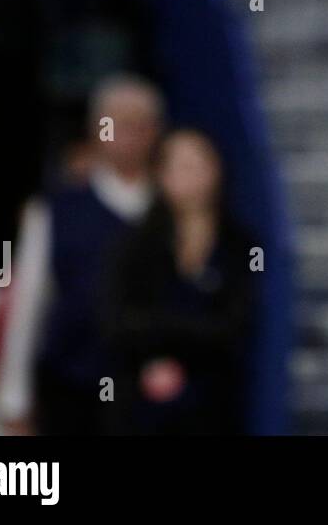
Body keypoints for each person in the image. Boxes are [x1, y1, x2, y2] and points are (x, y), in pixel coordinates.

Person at [0, 75, 163, 434]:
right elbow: (28, 304)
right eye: (115, 123)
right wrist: (14, 398)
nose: (128, 134)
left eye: (140, 124)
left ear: (155, 132)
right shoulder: (55, 211)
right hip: (72, 391)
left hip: (151, 398)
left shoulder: (171, 212)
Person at [102, 129, 254, 435]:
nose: (191, 176)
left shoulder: (242, 247)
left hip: (211, 409)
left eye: (199, 164)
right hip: (140, 407)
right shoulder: (134, 244)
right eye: (180, 165)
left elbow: (233, 327)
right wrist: (158, 356)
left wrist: (167, 333)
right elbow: (116, 322)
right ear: (161, 174)